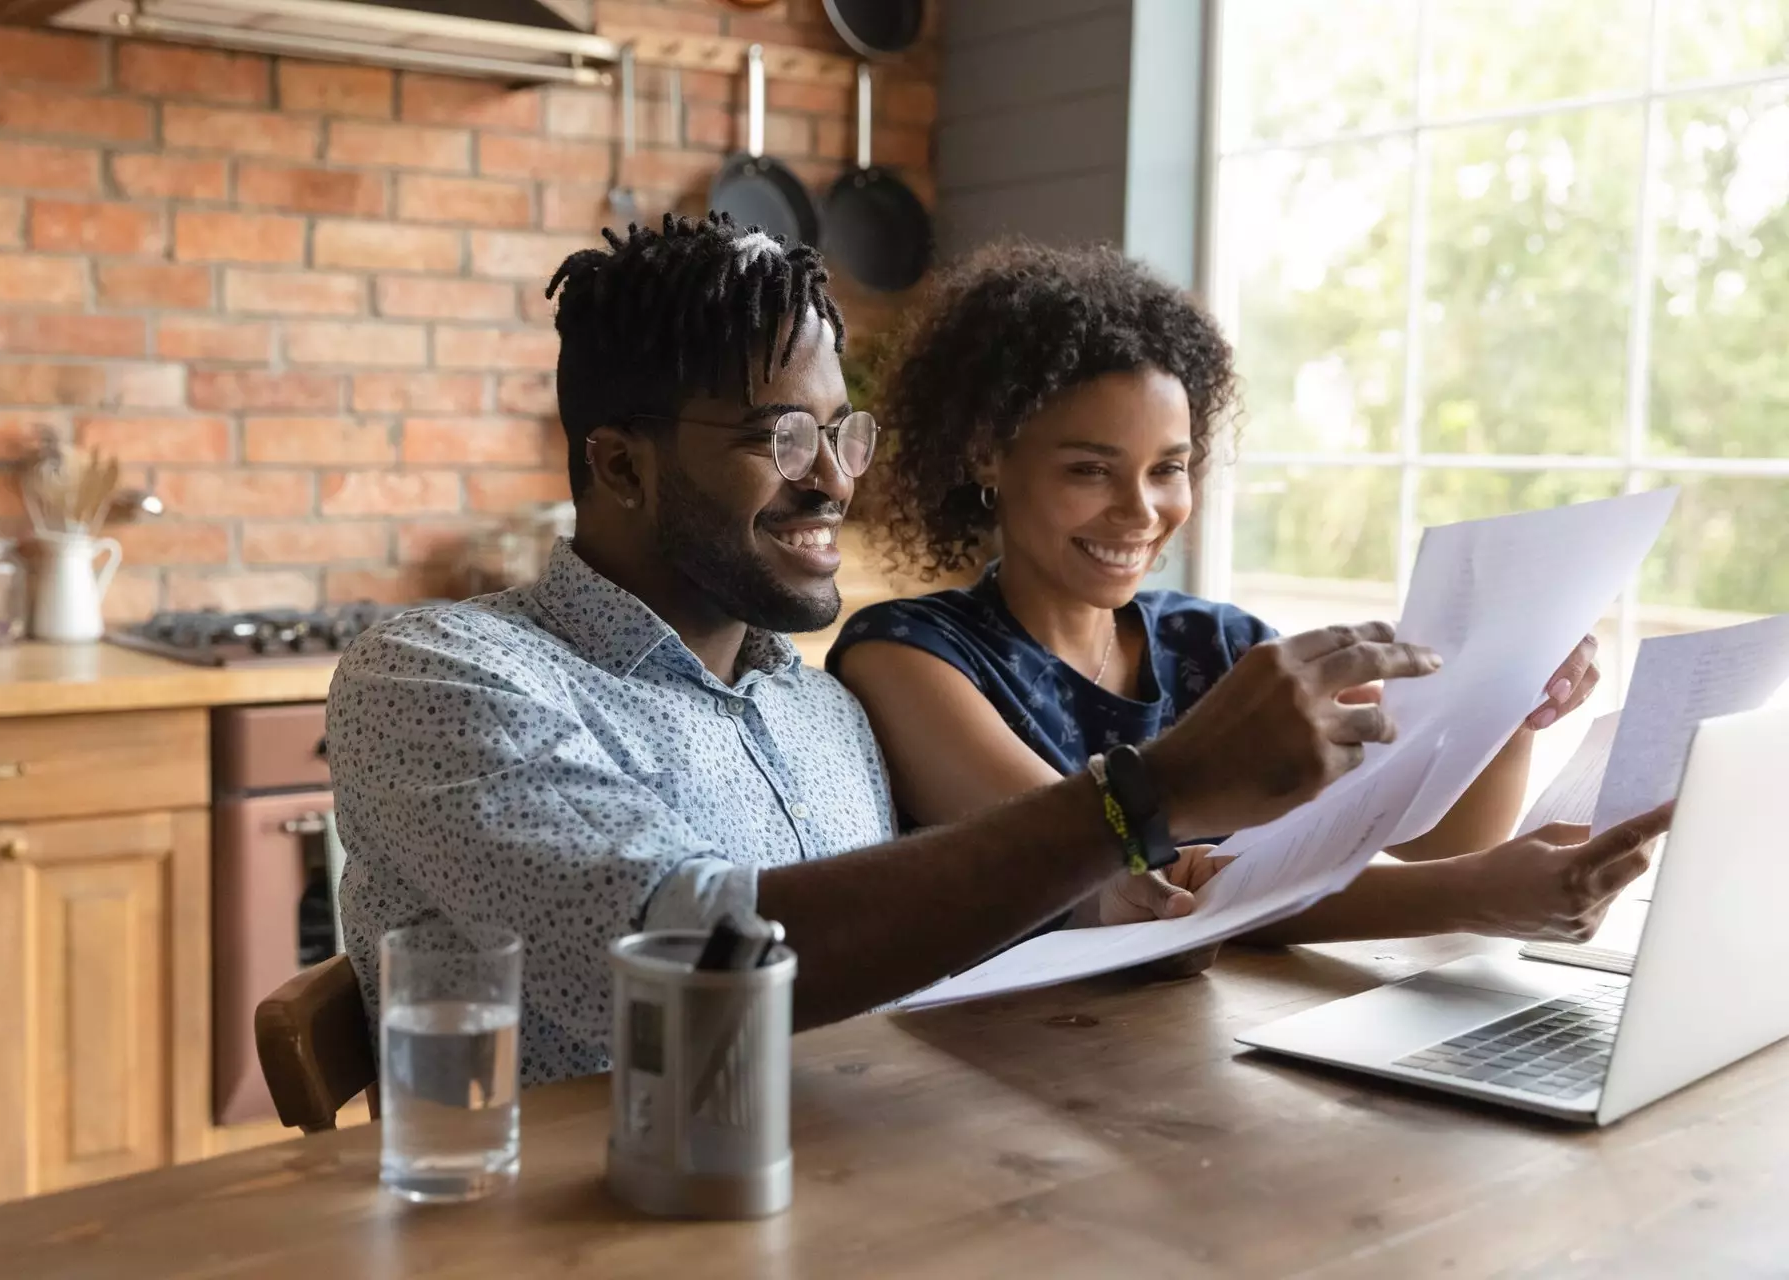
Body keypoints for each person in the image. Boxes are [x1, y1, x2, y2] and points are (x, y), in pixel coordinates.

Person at [326, 215, 1478, 1083]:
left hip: (860, 1199)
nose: (835, 476)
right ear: (621, 465)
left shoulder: (820, 709)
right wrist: (1148, 792)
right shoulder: (439, 674)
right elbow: (699, 963)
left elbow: (918, 955)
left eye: (841, 431)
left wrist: (1110, 910)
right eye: (779, 437)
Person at [829, 240, 1650, 946]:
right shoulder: (904, 659)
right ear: (985, 456)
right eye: (1089, 470)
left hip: (1214, 1051)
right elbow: (1137, 876)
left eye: (1168, 469)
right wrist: (1474, 897)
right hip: (1012, 1067)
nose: (1141, 511)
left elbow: (1439, 842)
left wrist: (1509, 697)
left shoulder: (1217, 646)